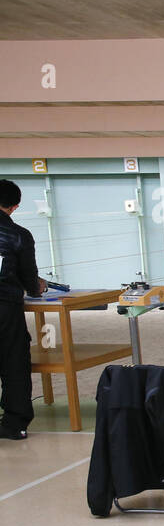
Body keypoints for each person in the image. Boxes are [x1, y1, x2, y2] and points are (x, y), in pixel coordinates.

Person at [0, 180, 47, 440]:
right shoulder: (19, 235)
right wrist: (37, 286)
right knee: (14, 363)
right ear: (14, 206)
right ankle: (14, 424)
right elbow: (30, 282)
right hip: (5, 308)